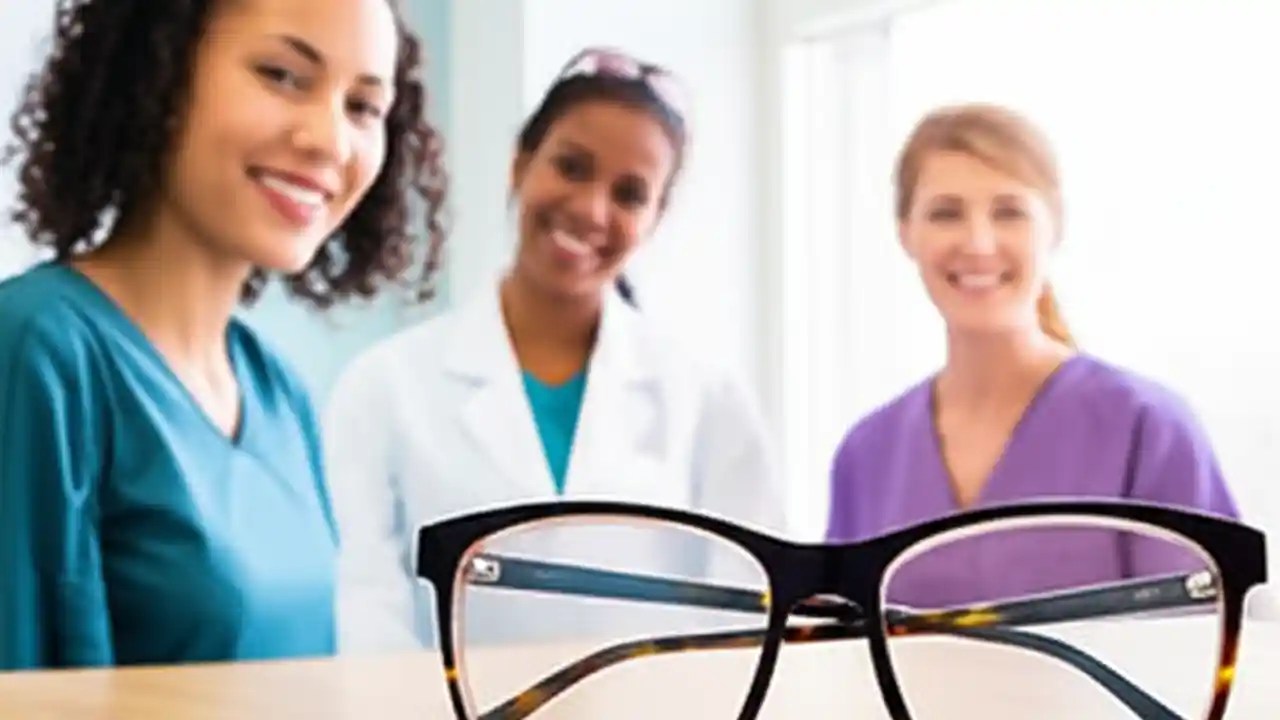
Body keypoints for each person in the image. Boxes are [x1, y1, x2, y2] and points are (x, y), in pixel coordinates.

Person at [0, 0, 447, 670]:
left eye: (362, 106)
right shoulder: (39, 351)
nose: (329, 140)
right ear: (158, 70)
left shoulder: (280, 394)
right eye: (282, 74)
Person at [325, 47, 784, 652]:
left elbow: (750, 616)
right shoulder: (383, 387)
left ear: (657, 217)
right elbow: (368, 615)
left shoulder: (708, 399)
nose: (593, 209)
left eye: (629, 194)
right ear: (520, 164)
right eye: (571, 167)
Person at [825, 103, 1239, 604]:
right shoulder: (868, 455)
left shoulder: (1148, 428)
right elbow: (843, 652)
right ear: (905, 232)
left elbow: (1206, 644)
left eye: (1009, 212)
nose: (978, 242)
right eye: (946, 213)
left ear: (1055, 227)